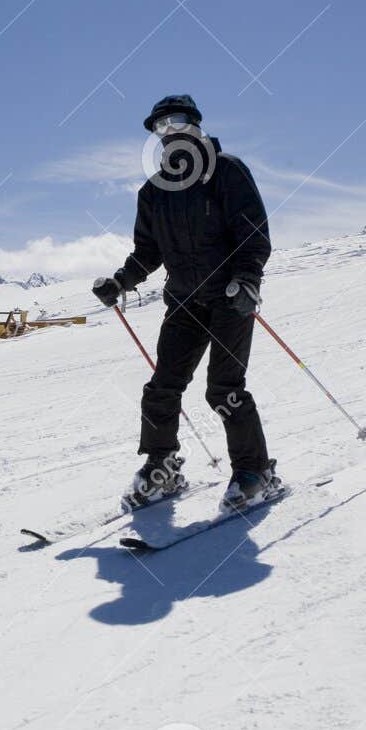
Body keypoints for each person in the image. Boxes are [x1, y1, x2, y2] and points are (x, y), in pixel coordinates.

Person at [92, 94, 279, 513]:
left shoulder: (227, 172)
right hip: (184, 303)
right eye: (160, 126)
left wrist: (247, 280)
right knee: (162, 387)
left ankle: (254, 472)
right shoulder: (154, 192)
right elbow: (147, 251)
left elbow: (253, 236)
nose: (169, 130)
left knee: (224, 389)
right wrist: (120, 281)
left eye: (177, 121)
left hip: (231, 299)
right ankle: (163, 468)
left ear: (195, 124)